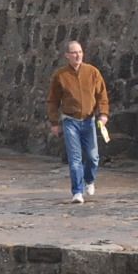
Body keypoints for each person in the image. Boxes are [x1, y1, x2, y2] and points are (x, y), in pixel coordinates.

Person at [46, 39, 109, 204]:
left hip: (88, 120)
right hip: (70, 121)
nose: (78, 55)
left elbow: (102, 95)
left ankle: (89, 179)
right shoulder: (60, 76)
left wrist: (103, 114)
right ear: (67, 55)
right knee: (75, 159)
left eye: (80, 52)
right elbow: (53, 101)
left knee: (93, 156)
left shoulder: (93, 72)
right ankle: (77, 192)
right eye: (74, 52)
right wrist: (54, 122)